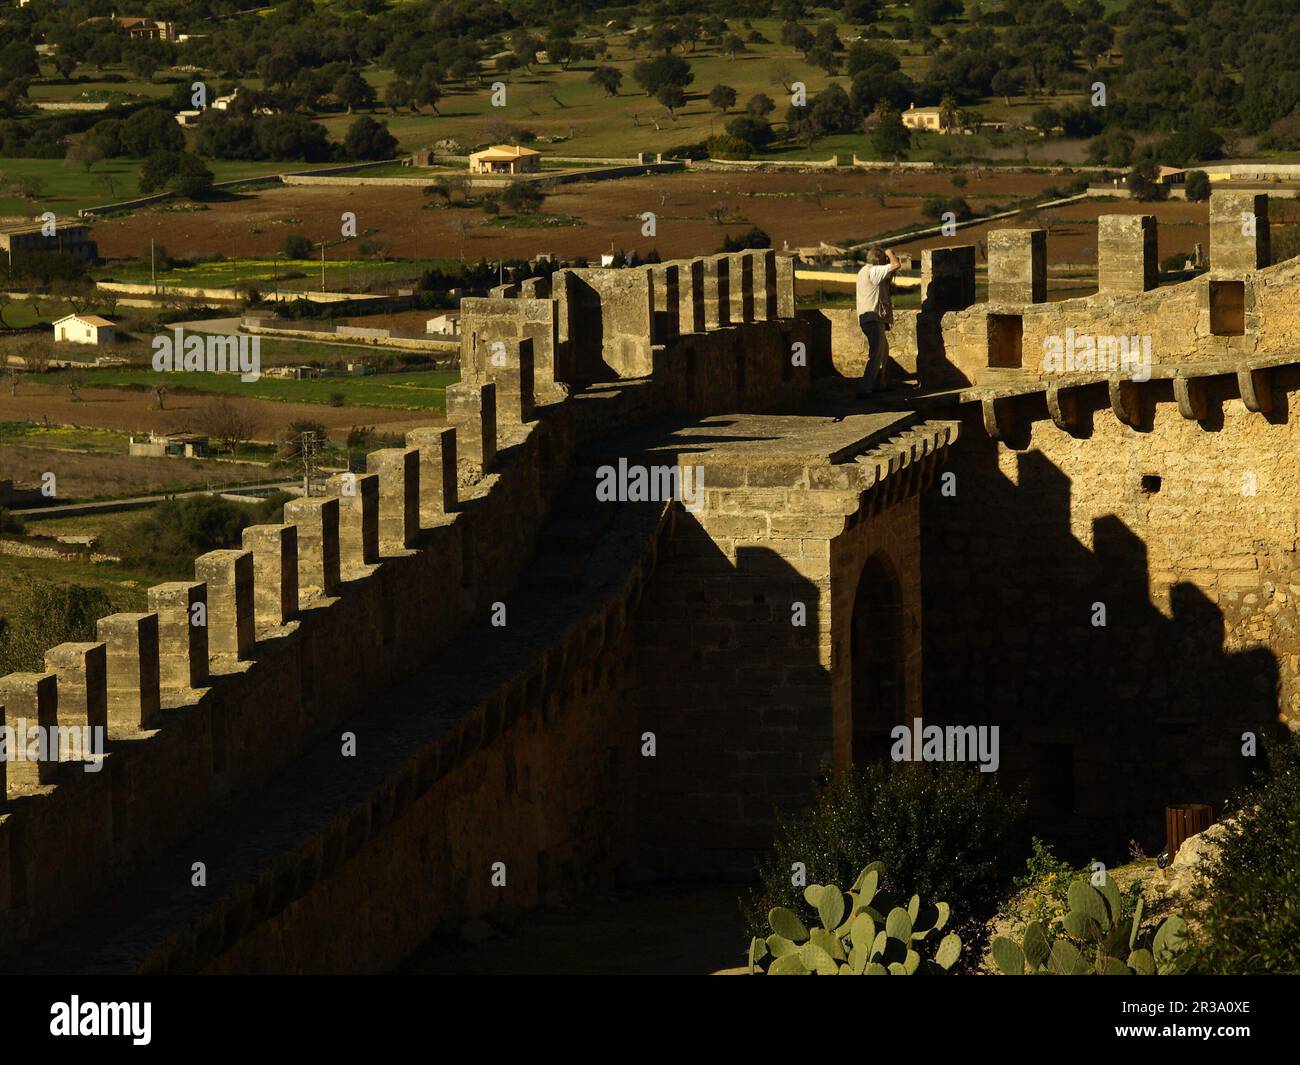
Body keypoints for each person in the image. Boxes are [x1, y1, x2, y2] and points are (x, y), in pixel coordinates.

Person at [855, 245, 900, 397]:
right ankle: (865, 388)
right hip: (873, 318)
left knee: (883, 350)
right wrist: (890, 253)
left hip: (866, 318)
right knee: (876, 354)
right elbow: (895, 265)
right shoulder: (874, 271)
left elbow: (886, 280)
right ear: (878, 259)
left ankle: (880, 382)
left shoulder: (863, 271)